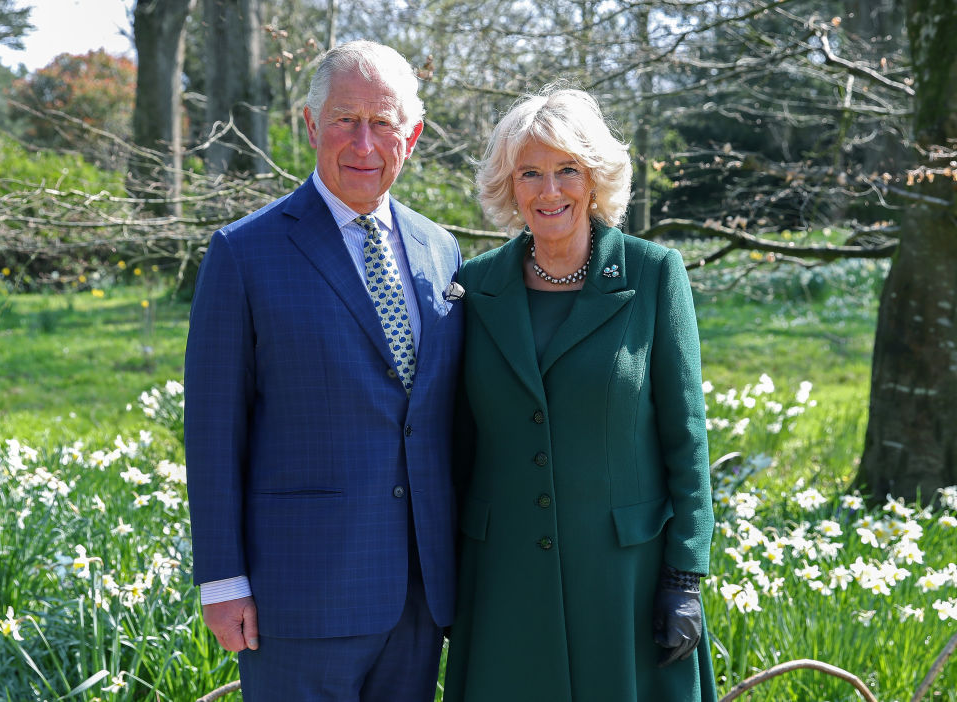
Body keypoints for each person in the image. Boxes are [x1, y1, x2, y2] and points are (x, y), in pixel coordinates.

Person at [184, 40, 464, 702]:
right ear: (310, 125)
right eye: (344, 119)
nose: (363, 142)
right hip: (300, 597)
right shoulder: (244, 253)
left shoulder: (441, 250)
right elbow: (213, 428)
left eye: (383, 122)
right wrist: (223, 581)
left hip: (421, 597)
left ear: (412, 136)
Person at [443, 87, 718, 702]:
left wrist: (685, 575)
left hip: (627, 577)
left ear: (594, 178)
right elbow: (457, 445)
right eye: (530, 173)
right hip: (504, 577)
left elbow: (687, 436)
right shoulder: (472, 288)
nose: (549, 191)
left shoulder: (652, 274)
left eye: (567, 170)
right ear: (508, 187)